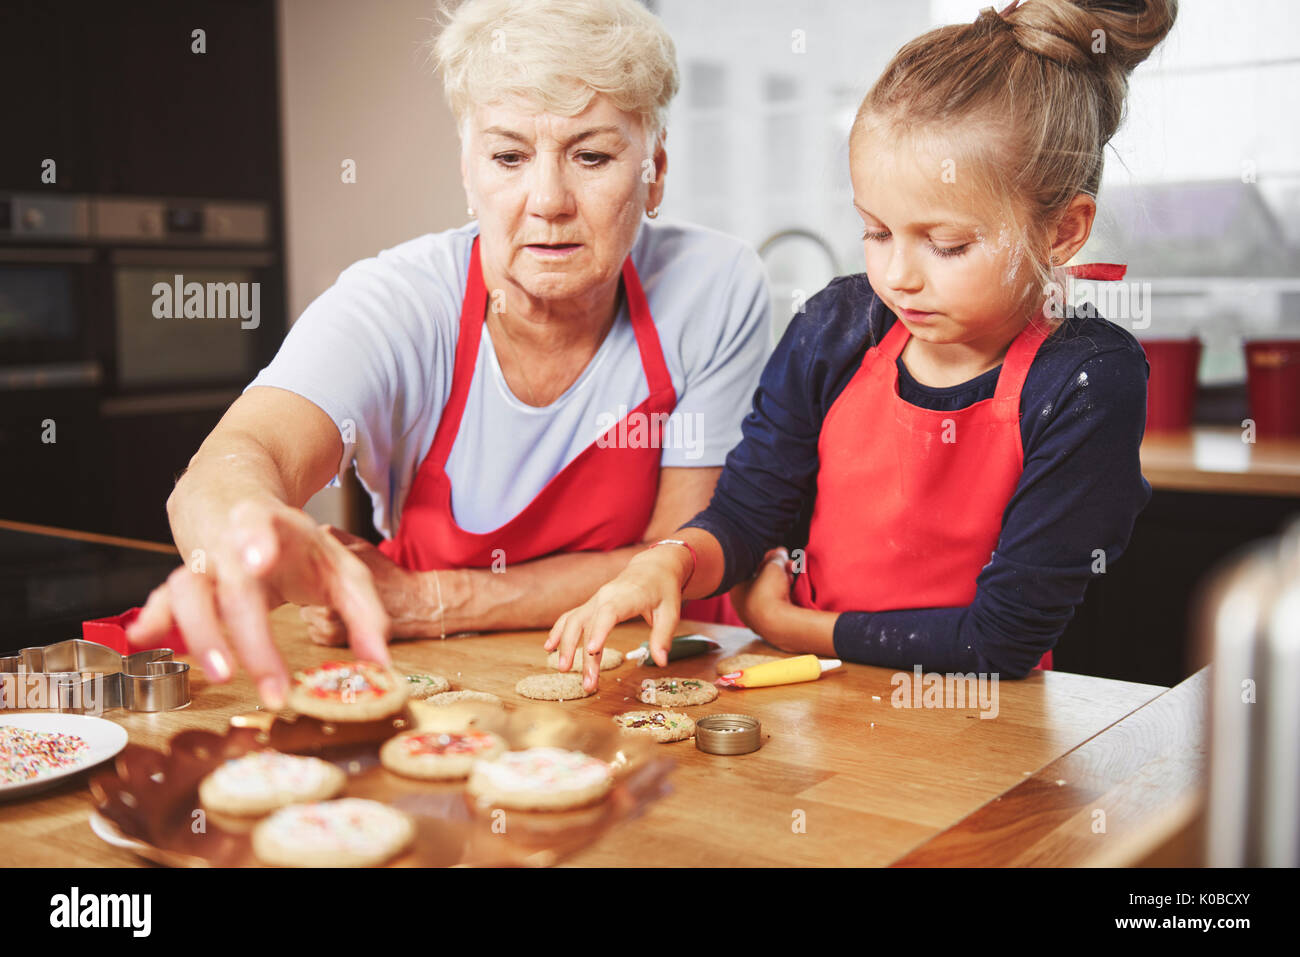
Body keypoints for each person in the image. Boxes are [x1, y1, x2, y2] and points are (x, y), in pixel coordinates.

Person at [127, 0, 770, 708]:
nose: (548, 200)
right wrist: (246, 525)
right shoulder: (398, 302)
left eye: (591, 155)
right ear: (468, 173)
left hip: (643, 679)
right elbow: (234, 460)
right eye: (508, 156)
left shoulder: (715, 285)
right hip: (441, 694)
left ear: (654, 172)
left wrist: (432, 598)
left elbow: (677, 553)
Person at [550, 0, 1176, 691]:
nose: (898, 277)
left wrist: (793, 628)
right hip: (798, 697)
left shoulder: (1086, 383)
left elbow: (1000, 639)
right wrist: (667, 560)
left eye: (946, 245)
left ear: (1062, 231)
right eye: (876, 232)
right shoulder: (835, 326)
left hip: (974, 719)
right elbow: (745, 516)